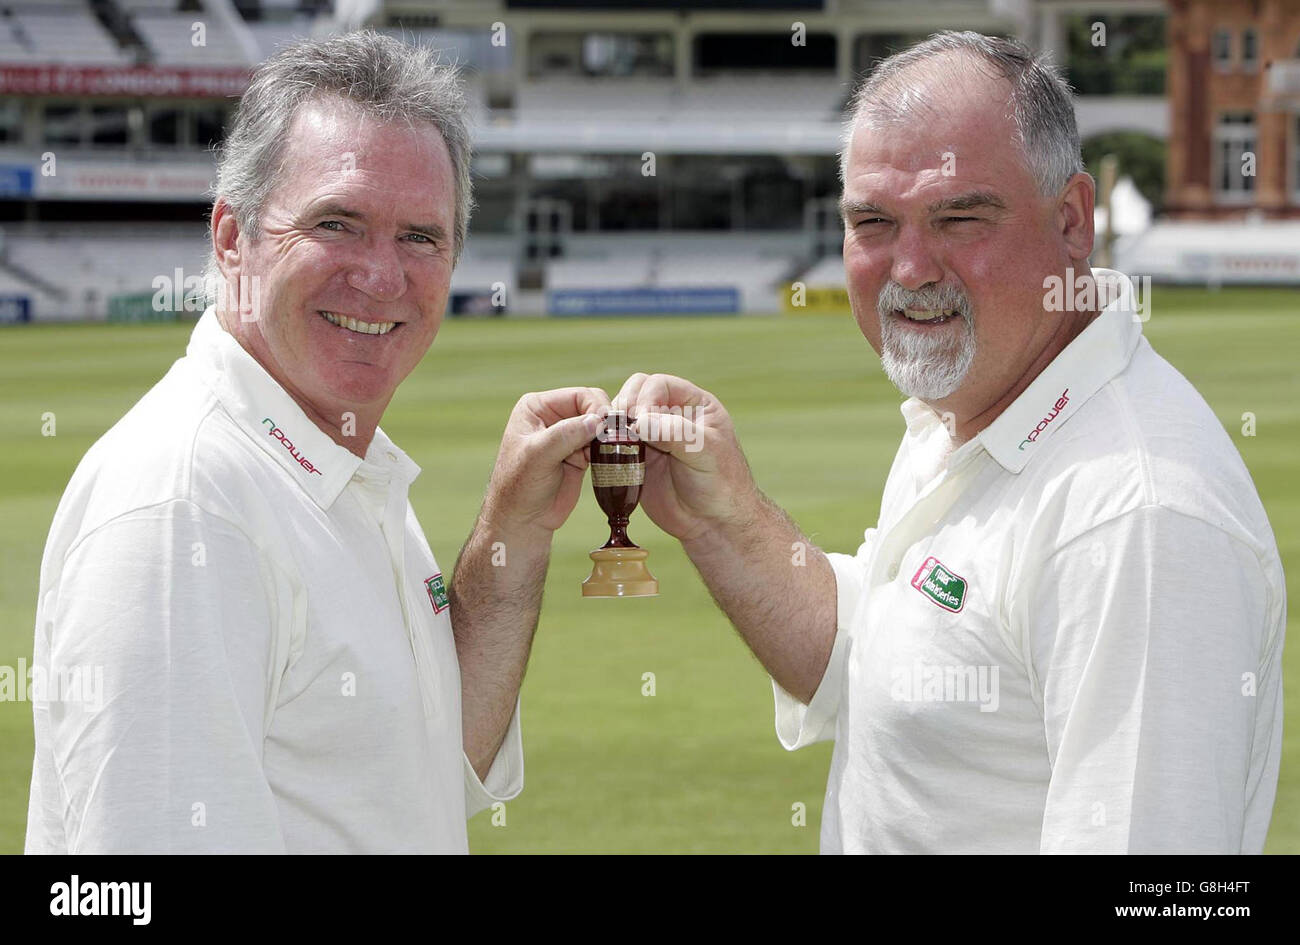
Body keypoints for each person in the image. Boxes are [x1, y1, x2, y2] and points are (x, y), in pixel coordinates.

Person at [616, 31, 1286, 853]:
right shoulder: (970, 403)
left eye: (959, 217)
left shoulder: (1136, 518)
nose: (910, 268)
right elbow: (876, 669)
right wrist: (722, 516)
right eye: (873, 222)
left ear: (1073, 222)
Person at [25, 31, 610, 853]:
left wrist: (513, 532)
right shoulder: (188, 502)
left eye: (421, 237)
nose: (381, 275)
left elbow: (426, 773)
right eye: (338, 223)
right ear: (233, 240)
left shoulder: (335, 458)